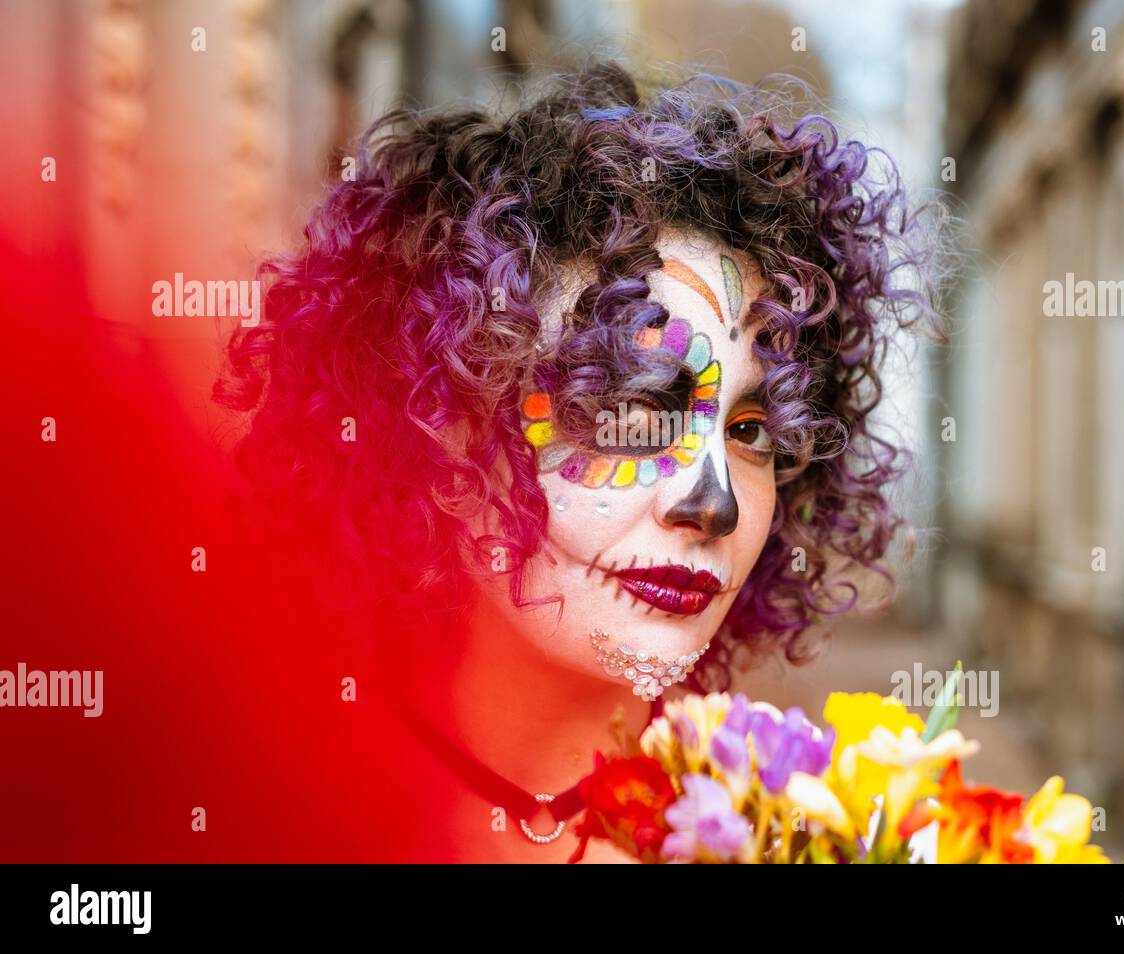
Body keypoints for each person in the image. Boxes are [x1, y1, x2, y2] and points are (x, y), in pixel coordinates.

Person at [216, 61, 938, 862]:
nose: (716, 502)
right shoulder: (240, 811)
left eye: (753, 431)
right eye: (628, 408)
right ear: (432, 415)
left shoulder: (799, 834)